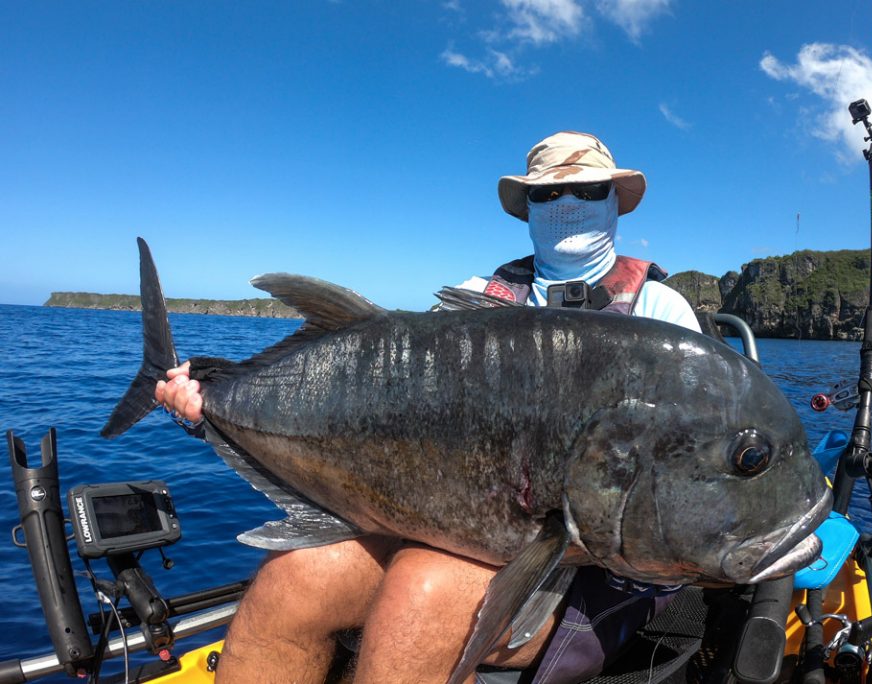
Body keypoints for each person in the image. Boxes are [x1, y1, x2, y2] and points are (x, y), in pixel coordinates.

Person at [157, 131, 701, 684]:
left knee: (421, 592)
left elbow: (688, 471)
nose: (567, 204)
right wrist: (209, 412)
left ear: (614, 200)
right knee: (291, 580)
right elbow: (379, 402)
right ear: (527, 209)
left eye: (587, 190)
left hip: (589, 559)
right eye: (546, 194)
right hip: (440, 522)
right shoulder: (476, 302)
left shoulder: (661, 314)